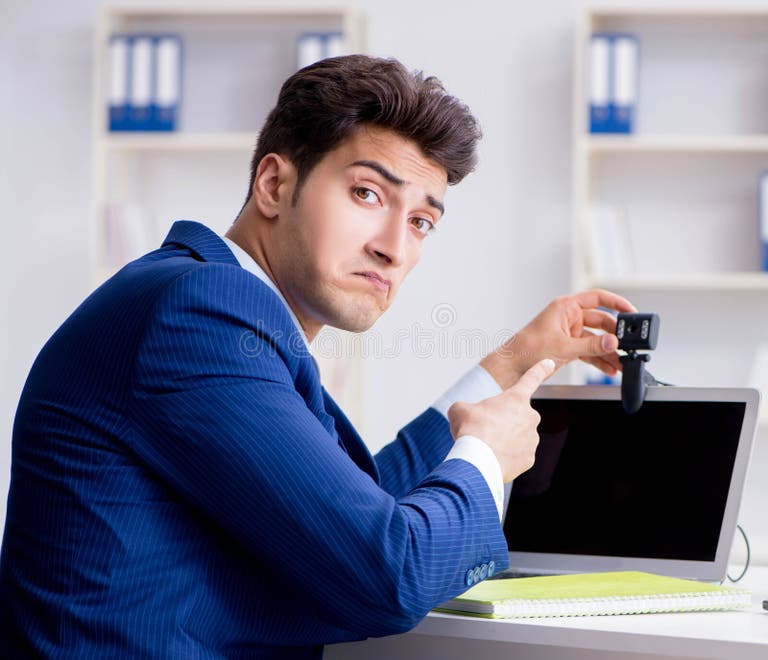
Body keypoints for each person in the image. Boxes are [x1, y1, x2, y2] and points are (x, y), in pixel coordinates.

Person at [0, 55, 634, 657]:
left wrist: (517, 359)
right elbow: (390, 575)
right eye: (367, 194)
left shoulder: (213, 306)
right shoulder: (200, 310)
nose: (395, 248)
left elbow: (358, 504)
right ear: (275, 184)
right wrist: (486, 459)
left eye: (420, 222)